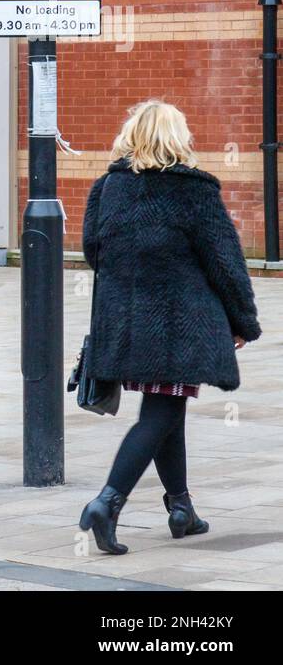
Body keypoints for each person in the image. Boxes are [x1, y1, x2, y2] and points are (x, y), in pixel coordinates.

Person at [78, 99, 261, 554]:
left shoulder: (108, 188)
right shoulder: (194, 192)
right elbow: (226, 264)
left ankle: (182, 508)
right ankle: (107, 502)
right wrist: (244, 322)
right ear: (178, 138)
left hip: (125, 322)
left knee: (167, 411)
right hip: (180, 324)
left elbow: (92, 252)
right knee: (160, 413)